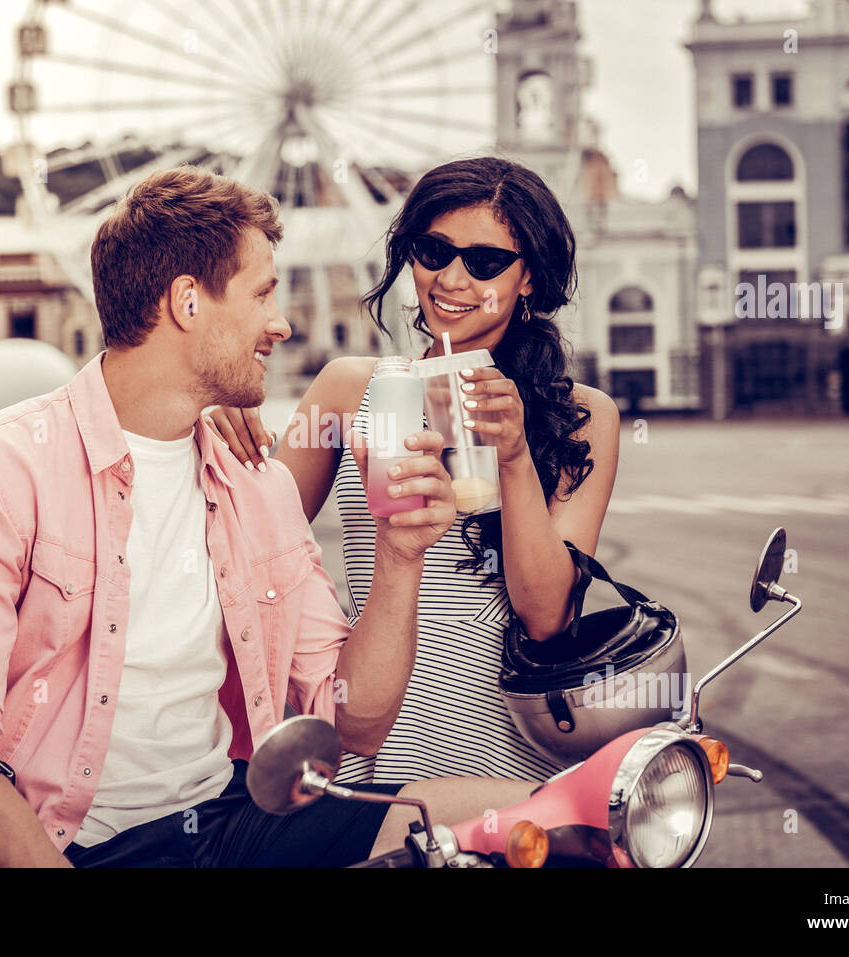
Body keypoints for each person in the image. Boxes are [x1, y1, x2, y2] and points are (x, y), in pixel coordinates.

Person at [0, 166, 536, 868]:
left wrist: (401, 556)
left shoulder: (255, 487)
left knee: (526, 816)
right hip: (66, 845)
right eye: (262, 294)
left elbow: (353, 722)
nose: (281, 324)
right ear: (188, 303)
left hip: (228, 822)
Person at [205, 156, 621, 784]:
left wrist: (512, 459)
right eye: (432, 251)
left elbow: (547, 616)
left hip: (509, 762)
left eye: (483, 262)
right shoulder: (350, 390)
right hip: (368, 745)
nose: (451, 277)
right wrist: (210, 426)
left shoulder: (584, 417)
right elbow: (251, 533)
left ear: (529, 277)